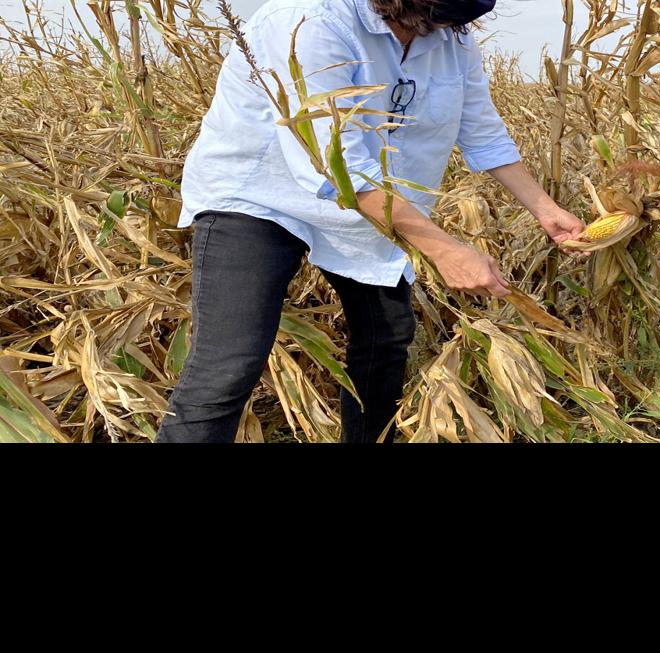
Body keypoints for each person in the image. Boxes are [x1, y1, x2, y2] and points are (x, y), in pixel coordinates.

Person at [158, 0, 586, 442]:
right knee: (230, 363)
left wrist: (545, 209)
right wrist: (444, 249)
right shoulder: (308, 22)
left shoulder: (449, 32)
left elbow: (481, 129)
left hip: (373, 202)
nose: (436, 33)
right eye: (429, 20)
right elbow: (335, 164)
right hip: (261, 197)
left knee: (385, 344)